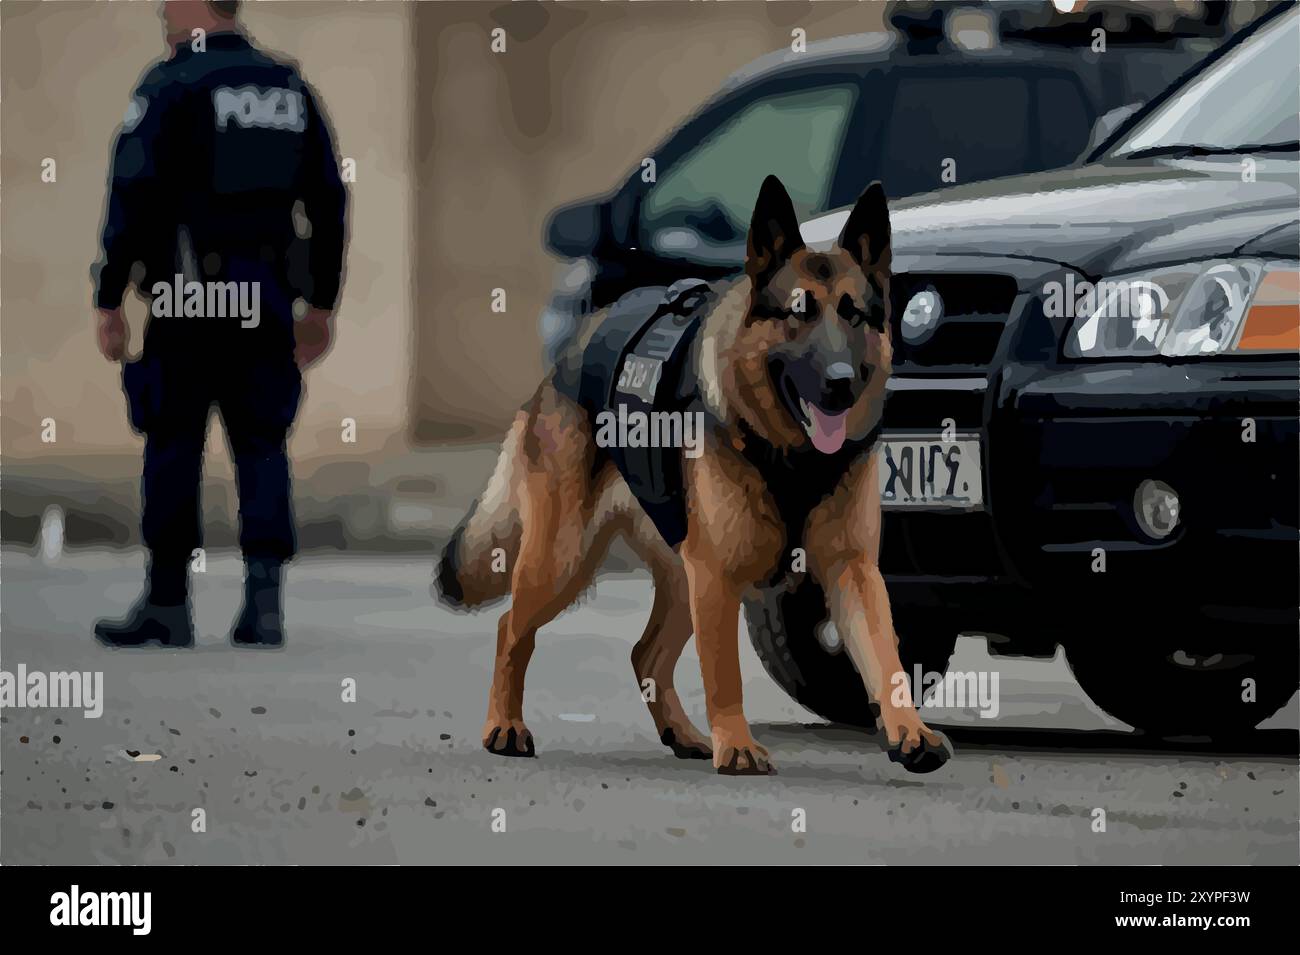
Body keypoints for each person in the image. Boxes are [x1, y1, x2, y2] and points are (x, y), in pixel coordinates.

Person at [91, 0, 347, 648]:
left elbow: (133, 188)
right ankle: (264, 606)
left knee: (173, 441)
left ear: (196, 8)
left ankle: (168, 602)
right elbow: (326, 199)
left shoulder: (172, 84)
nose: (161, 14)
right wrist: (320, 303)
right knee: (261, 442)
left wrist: (109, 294)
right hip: (265, 296)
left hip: (186, 295)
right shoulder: (287, 87)